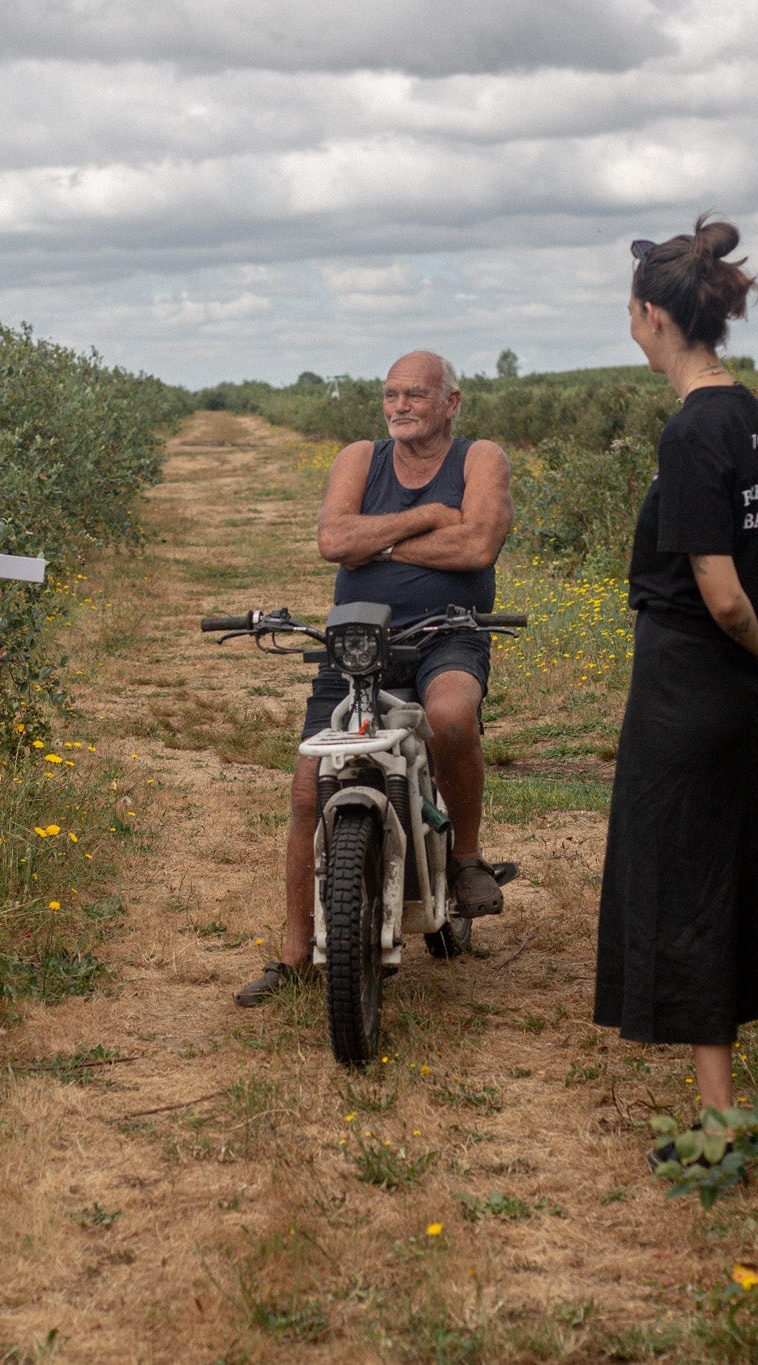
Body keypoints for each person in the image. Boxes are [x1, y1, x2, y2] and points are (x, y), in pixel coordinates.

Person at [591, 216, 758, 1135]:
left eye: (630, 312)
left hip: (685, 689)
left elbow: (727, 598)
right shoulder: (757, 422)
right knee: (751, 884)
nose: (631, 325)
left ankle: (720, 1129)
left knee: (687, 892)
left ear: (654, 316)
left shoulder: (692, 433)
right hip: (735, 698)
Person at [236, 351, 515, 1006]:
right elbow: (334, 541)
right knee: (309, 788)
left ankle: (466, 860)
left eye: (415, 394)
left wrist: (377, 543)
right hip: (359, 637)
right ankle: (295, 957)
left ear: (451, 403)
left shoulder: (480, 459)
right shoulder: (360, 459)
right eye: (391, 395)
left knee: (451, 716)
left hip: (448, 633)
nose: (399, 406)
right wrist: (428, 517)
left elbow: (477, 547)